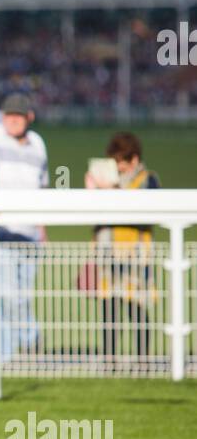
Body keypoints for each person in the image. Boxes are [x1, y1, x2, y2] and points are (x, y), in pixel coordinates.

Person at [0, 93, 49, 362]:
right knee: (5, 295)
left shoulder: (37, 143)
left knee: (21, 295)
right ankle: (24, 342)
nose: (12, 121)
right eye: (8, 115)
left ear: (29, 117)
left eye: (18, 116)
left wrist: (42, 229)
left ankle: (13, 355)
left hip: (28, 232)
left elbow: (42, 187)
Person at [84, 130, 160, 362]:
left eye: (121, 162)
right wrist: (92, 192)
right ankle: (109, 361)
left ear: (134, 159)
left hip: (137, 255)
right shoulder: (105, 180)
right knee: (109, 312)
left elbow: (147, 210)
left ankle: (143, 361)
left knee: (137, 310)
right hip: (108, 254)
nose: (118, 167)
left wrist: (111, 190)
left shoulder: (148, 179)